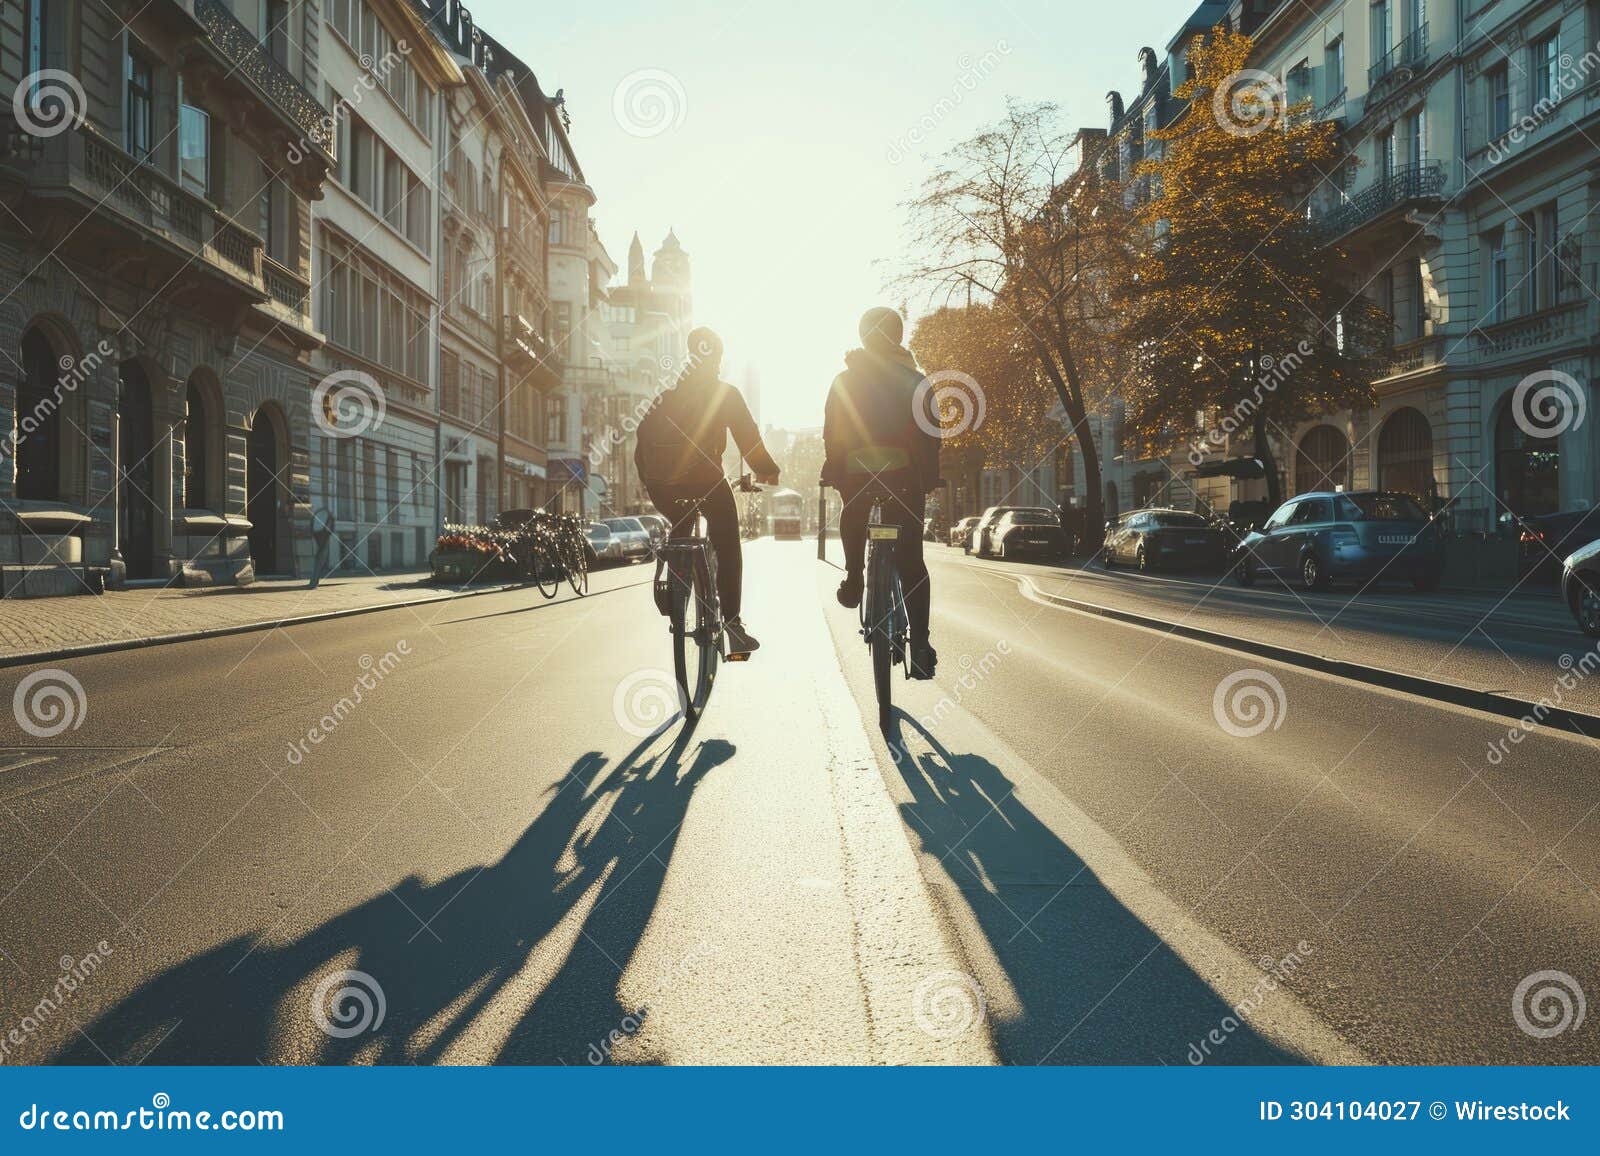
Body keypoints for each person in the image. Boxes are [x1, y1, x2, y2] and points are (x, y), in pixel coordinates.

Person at [635, 327, 780, 655]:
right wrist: (767, 470)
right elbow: (750, 440)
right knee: (728, 544)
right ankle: (733, 623)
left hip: (663, 487)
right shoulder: (724, 394)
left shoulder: (664, 398)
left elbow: (640, 446)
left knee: (681, 523)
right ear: (718, 358)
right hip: (706, 481)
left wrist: (651, 483)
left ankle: (676, 585)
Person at [822, 307, 940, 679]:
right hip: (905, 477)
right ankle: (920, 645)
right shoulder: (916, 380)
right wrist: (928, 476)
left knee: (853, 510)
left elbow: (832, 432)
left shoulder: (844, 380)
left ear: (862, 338)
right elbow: (932, 436)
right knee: (911, 561)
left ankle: (854, 577)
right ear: (899, 337)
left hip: (858, 475)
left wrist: (837, 469)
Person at [307, 504, 336, 589]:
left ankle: (313, 582)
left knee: (318, 561)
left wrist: (314, 533)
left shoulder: (317, 513)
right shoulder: (329, 515)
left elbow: (312, 524)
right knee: (320, 560)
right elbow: (330, 528)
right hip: (323, 537)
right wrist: (329, 533)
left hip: (317, 535)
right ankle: (313, 583)